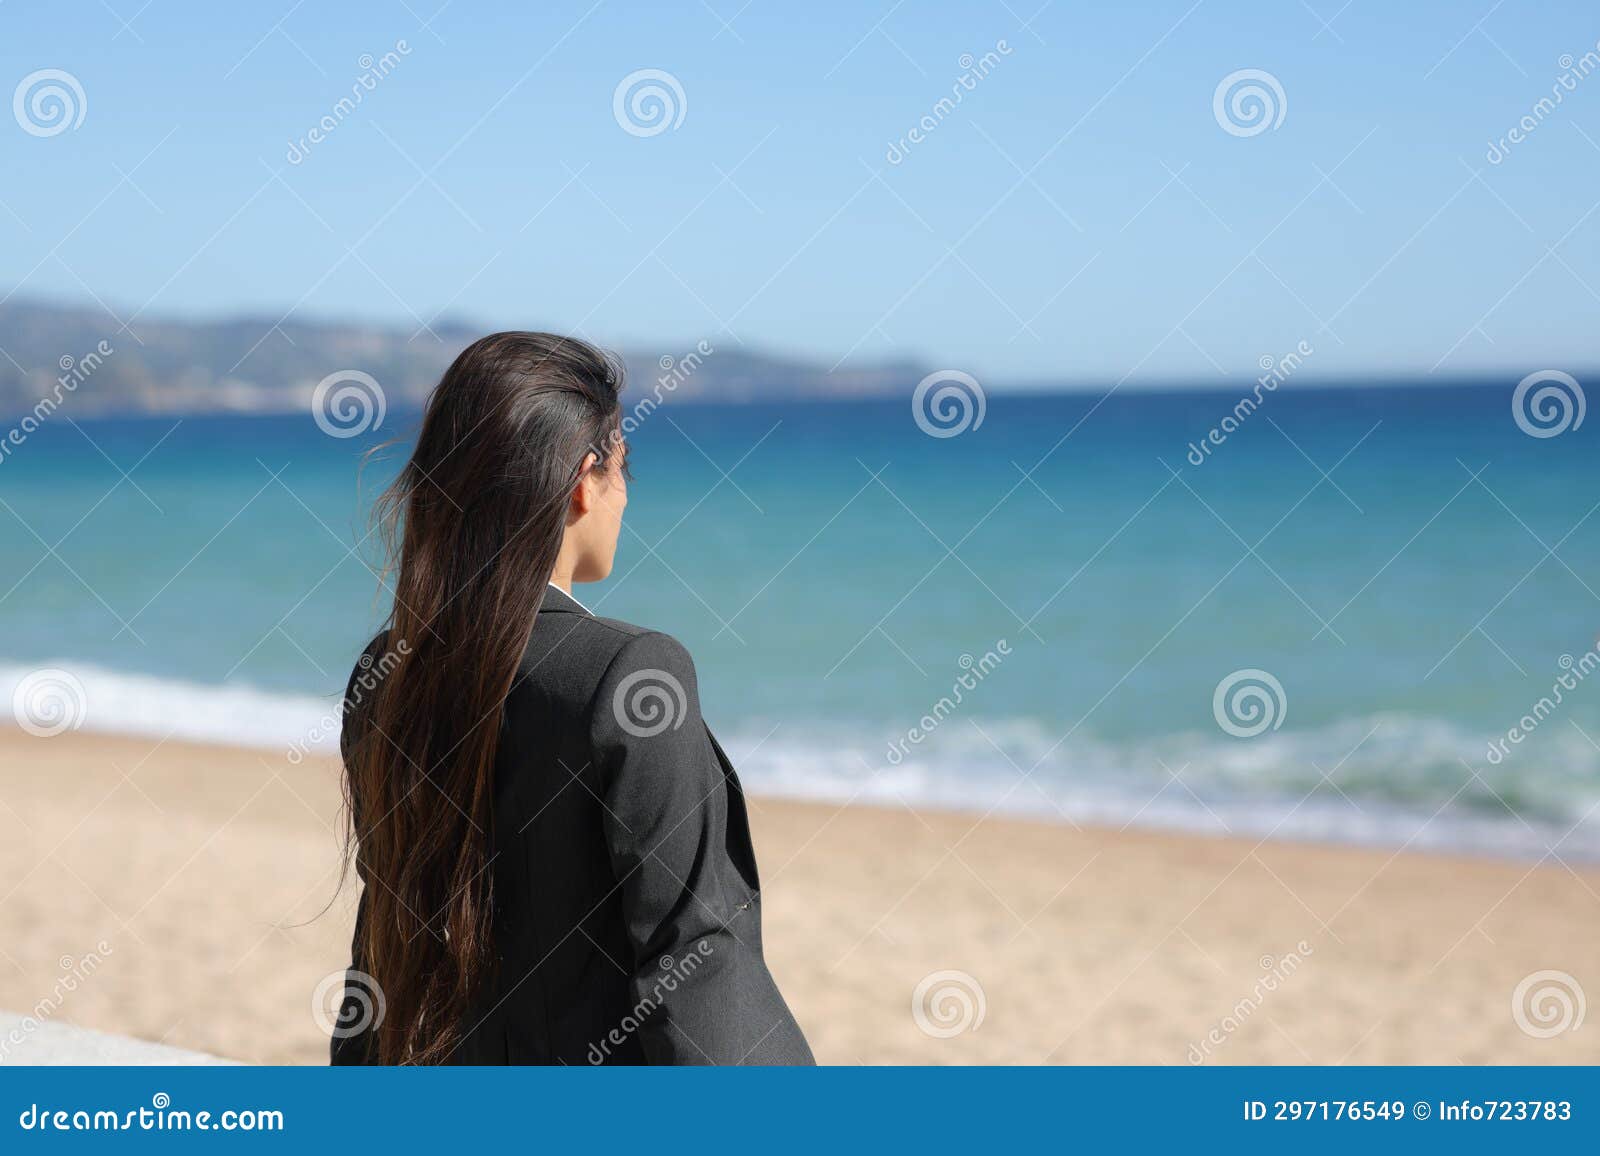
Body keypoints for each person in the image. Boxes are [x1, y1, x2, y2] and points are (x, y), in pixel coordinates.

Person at [331, 332, 813, 1065]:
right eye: (625, 469)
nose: (626, 496)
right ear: (585, 480)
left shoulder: (387, 671)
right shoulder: (629, 671)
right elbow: (696, 959)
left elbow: (383, 949)